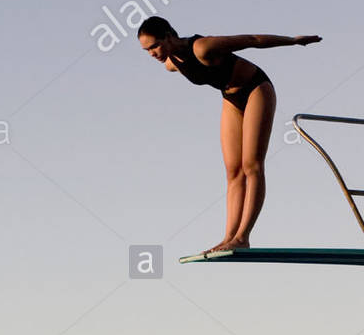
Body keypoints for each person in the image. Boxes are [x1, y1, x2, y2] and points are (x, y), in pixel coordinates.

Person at [137, 17, 321, 252]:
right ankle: (228, 237)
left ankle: (243, 237)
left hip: (255, 89)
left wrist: (293, 41)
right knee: (233, 171)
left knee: (251, 166)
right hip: (231, 98)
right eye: (147, 50)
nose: (153, 53)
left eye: (155, 46)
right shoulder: (171, 64)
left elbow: (252, 40)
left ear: (170, 36)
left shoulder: (203, 47)